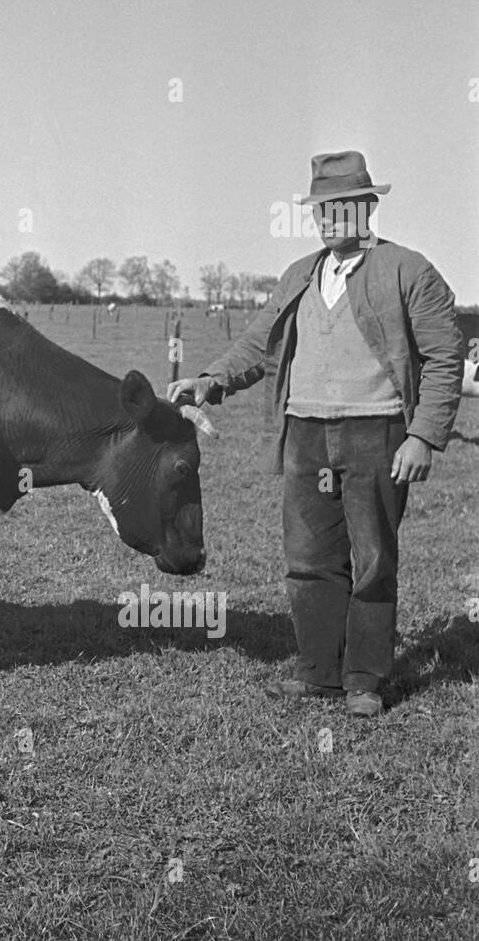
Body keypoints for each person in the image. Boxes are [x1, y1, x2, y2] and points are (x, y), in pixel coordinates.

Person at [168, 151, 462, 717]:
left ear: (368, 207)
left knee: (373, 557)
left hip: (377, 434)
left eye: (341, 206)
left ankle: (364, 681)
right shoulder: (300, 274)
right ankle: (318, 673)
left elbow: (445, 357)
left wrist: (423, 435)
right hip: (304, 433)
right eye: (320, 208)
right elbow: (260, 342)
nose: (329, 218)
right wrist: (210, 381)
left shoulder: (409, 269)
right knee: (308, 558)